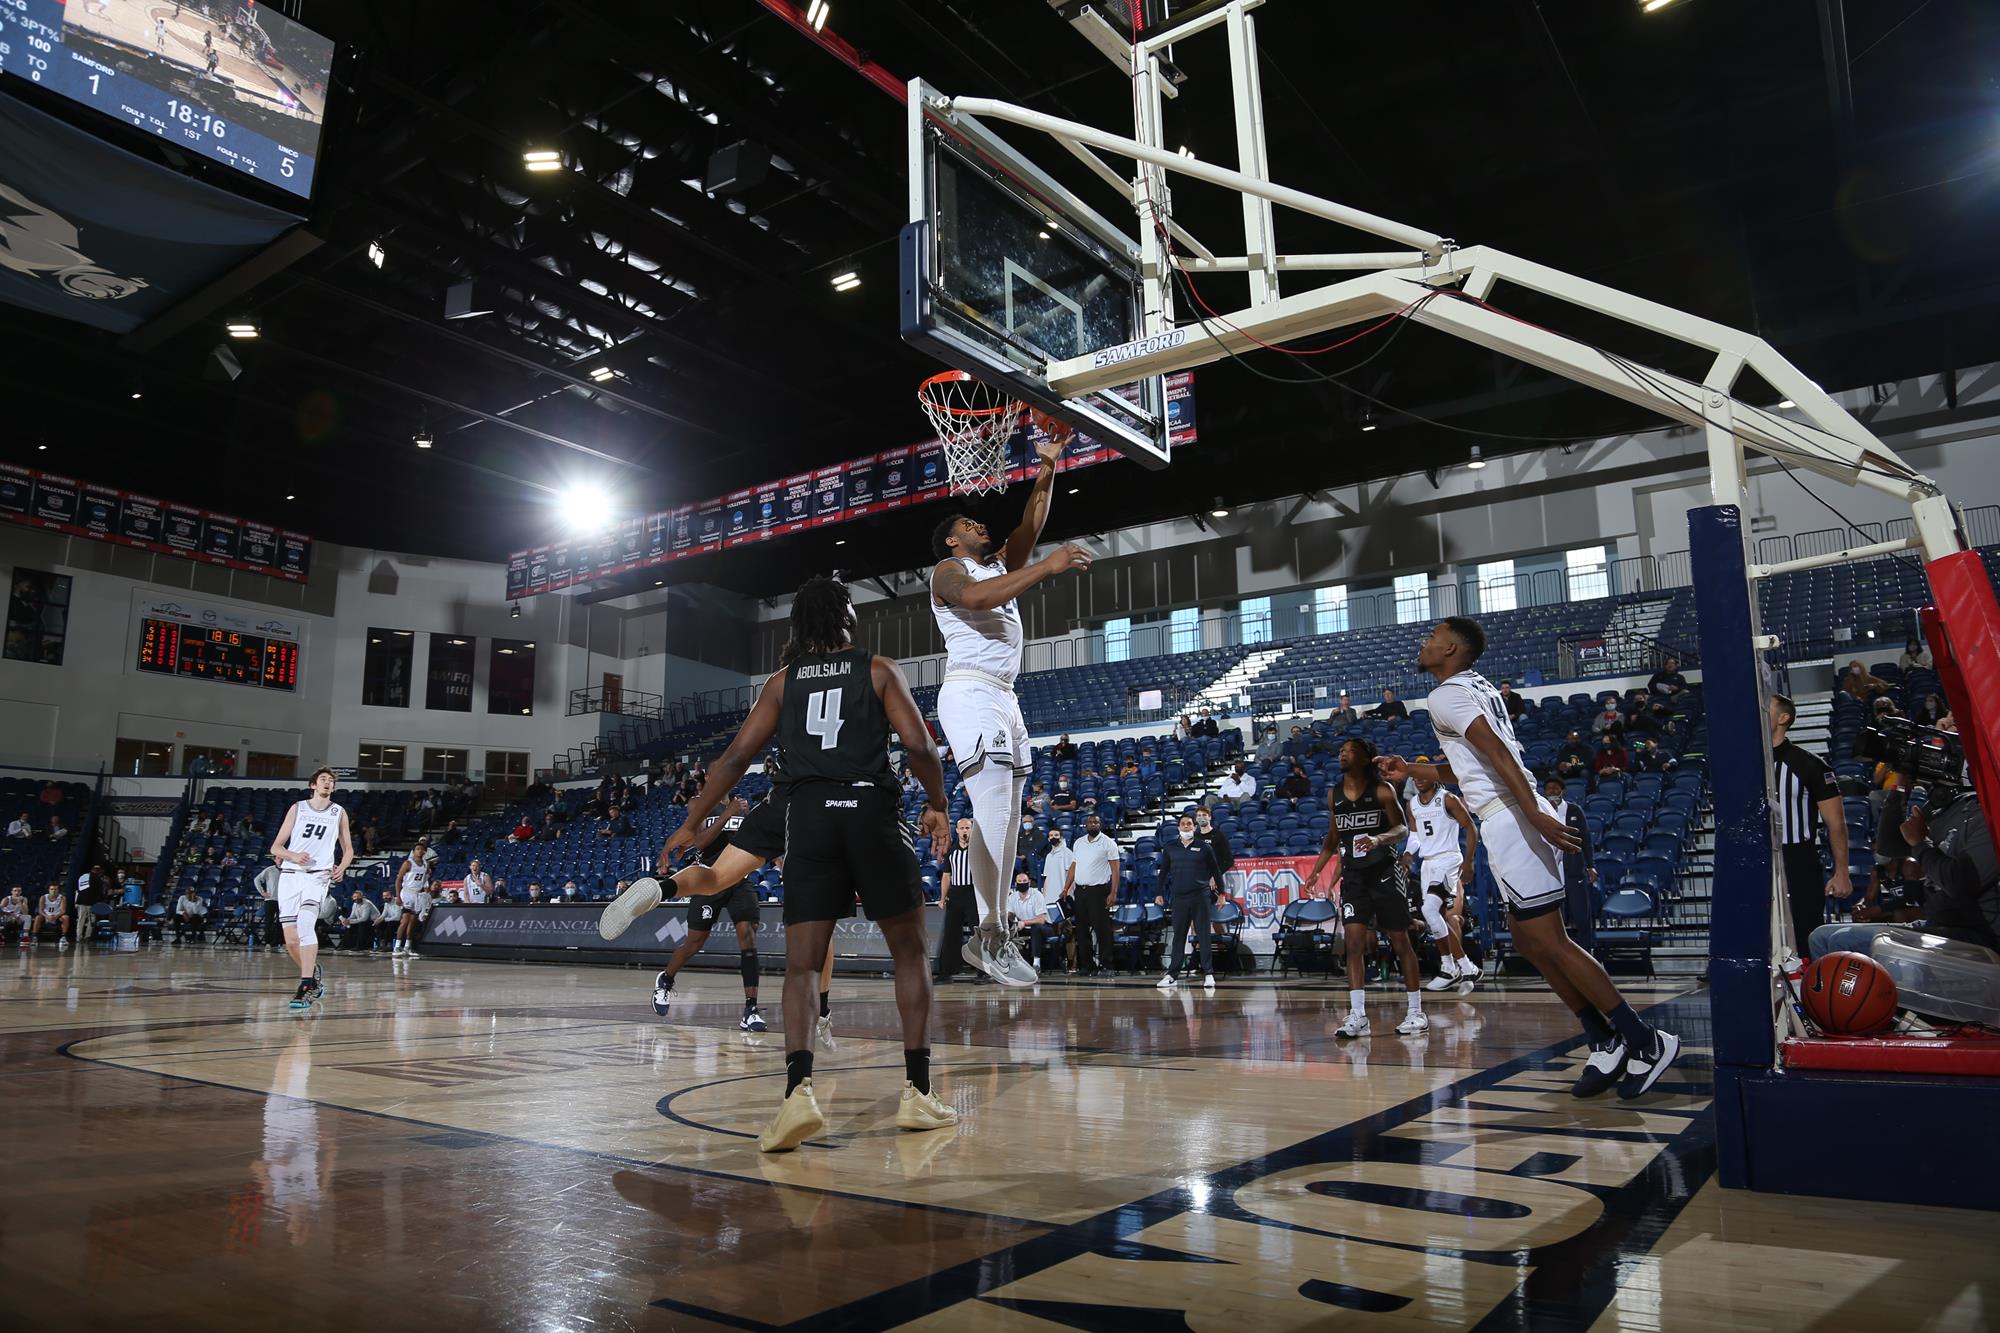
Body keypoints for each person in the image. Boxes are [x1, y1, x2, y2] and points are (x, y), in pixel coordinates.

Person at [660, 574, 954, 1153]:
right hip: (871, 810)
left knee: (801, 966)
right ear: (846, 617)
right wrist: (939, 804)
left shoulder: (780, 683)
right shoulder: (879, 669)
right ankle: (917, 1093)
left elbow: (736, 756)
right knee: (911, 952)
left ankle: (798, 1096)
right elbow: (920, 748)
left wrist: (693, 821)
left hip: (809, 818)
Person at [1378, 617, 1682, 1100]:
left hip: (1512, 816)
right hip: (1507, 814)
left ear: (1451, 648)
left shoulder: (1444, 695)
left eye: (1431, 637)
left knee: (1551, 941)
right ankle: (1604, 1039)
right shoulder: (1474, 687)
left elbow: (1498, 754)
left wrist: (1533, 815)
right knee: (1529, 941)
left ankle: (1645, 1040)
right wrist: (1411, 769)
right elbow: (1470, 766)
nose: (1423, 642)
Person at [928, 420, 1091, 987]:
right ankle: (990, 931)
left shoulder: (998, 561)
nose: (977, 522)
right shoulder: (950, 570)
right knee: (993, 813)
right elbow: (974, 599)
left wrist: (1047, 464)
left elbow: (1030, 520)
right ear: (952, 540)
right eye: (965, 522)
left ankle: (994, 933)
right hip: (970, 689)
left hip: (1006, 696)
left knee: (1012, 816)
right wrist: (1044, 568)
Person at [600, 789, 792, 1035]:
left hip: (739, 881)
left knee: (748, 939)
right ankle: (666, 980)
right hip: (708, 878)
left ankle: (750, 1010)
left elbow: (757, 841)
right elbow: (700, 842)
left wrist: (779, 862)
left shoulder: (743, 808)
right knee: (694, 943)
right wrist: (728, 814)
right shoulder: (700, 805)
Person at [1305, 738, 1421, 1035]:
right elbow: (1333, 837)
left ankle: (1416, 1012)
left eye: (1350, 750)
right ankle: (1358, 1016)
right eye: (1341, 750)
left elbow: (1403, 828)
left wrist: (1379, 839)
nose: (1343, 753)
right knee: (1353, 944)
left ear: (1366, 757)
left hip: (1384, 872)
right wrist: (1316, 872)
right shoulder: (1334, 795)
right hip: (1354, 877)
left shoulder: (1382, 789)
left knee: (1400, 941)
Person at [1769, 693, 1852, 959]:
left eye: (1765, 707)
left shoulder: (1809, 765)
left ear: (1784, 718)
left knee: (1805, 934)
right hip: (1759, 859)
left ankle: (1809, 993)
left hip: (1798, 858)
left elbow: (1836, 823)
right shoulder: (1747, 764)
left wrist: (1842, 872)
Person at [267, 770, 352, 1010]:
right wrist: (292, 855)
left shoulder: (338, 812)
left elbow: (348, 850)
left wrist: (343, 867)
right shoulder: (298, 808)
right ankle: (313, 974)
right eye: (324, 779)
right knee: (291, 940)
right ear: (313, 785)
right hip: (291, 876)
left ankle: (305, 986)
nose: (328, 782)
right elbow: (276, 847)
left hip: (318, 876)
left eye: (331, 781)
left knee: (306, 925)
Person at [1406, 769, 1479, 992]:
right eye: (1415, 777)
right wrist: (1408, 852)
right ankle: (1467, 967)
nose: (1418, 779)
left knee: (1428, 910)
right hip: (1427, 863)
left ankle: (1449, 967)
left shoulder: (1448, 798)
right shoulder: (1412, 805)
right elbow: (1415, 835)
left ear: (1434, 777)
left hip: (1448, 859)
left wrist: (1469, 862)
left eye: (1422, 775)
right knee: (1436, 918)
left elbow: (1470, 827)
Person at [1544, 776, 1598, 951]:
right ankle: (1558, 954)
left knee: (1582, 913)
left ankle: (1587, 951)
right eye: (1549, 789)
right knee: (1554, 917)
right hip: (1551, 869)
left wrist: (1590, 864)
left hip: (1573, 868)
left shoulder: (1574, 810)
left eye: (1555, 788)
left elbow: (1586, 839)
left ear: (1563, 791)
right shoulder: (1541, 812)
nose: (1552, 791)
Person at [1069, 812, 1119, 975]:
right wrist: (1066, 887)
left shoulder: (1108, 843)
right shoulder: (1078, 843)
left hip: (1099, 891)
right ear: (1086, 824)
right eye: (1090, 822)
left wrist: (1113, 893)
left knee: (1102, 930)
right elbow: (1074, 866)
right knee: (1082, 930)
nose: (1093, 824)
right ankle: (1087, 965)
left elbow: (1115, 870)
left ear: (1100, 825)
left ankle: (1107, 965)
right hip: (1080, 891)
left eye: (1096, 822)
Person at [934, 818, 980, 982]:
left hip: (973, 894)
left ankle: (983, 972)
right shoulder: (951, 851)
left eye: (968, 827)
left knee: (977, 933)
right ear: (957, 831)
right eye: (962, 828)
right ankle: (947, 972)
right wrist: (942, 897)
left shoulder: (978, 850)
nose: (965, 830)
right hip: (955, 894)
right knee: (950, 933)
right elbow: (946, 876)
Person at [1007, 879, 1057, 972]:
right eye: (1020, 881)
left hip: (1045, 927)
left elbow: (1041, 920)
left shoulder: (1037, 895)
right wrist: (1007, 916)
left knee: (1036, 927)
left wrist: (1025, 922)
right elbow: (1010, 914)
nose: (1022, 883)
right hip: (1024, 927)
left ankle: (1036, 963)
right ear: (1016, 884)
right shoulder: (1013, 897)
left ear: (1029, 883)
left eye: (1024, 881)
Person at [391, 839, 431, 957]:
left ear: (424, 852)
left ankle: (407, 947)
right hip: (407, 893)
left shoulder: (425, 864)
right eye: (417, 849)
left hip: (417, 894)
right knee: (405, 920)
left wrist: (426, 888)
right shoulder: (408, 863)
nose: (420, 851)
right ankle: (397, 946)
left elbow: (425, 879)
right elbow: (398, 879)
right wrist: (398, 896)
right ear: (413, 851)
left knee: (412, 922)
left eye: (421, 849)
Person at [34, 881, 71, 946]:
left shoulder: (62, 898)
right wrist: (47, 916)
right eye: (52, 889)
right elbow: (40, 910)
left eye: (55, 889)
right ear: (48, 889)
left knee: (66, 917)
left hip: (57, 916)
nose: (53, 891)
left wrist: (56, 916)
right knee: (38, 917)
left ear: (58, 890)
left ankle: (63, 937)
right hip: (46, 916)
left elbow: (63, 910)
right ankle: (35, 937)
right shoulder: (43, 897)